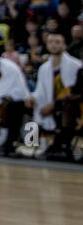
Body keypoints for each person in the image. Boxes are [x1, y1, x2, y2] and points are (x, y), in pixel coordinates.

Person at [34, 30, 81, 160]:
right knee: (25, 105)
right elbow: (39, 90)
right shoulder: (43, 68)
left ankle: (61, 146)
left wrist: (54, 104)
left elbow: (75, 92)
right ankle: (35, 144)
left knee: (65, 108)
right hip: (48, 103)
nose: (53, 45)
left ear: (64, 45)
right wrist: (32, 97)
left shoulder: (76, 65)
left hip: (69, 105)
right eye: (50, 42)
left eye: (57, 42)